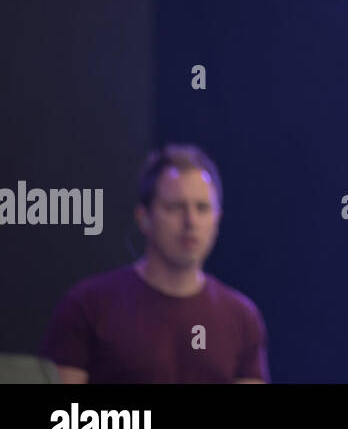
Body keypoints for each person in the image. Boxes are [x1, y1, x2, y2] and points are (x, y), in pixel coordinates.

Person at [39, 144, 270, 383]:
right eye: (175, 207)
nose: (190, 221)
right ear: (144, 218)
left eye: (202, 208)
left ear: (217, 219)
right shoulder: (87, 306)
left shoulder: (241, 318)